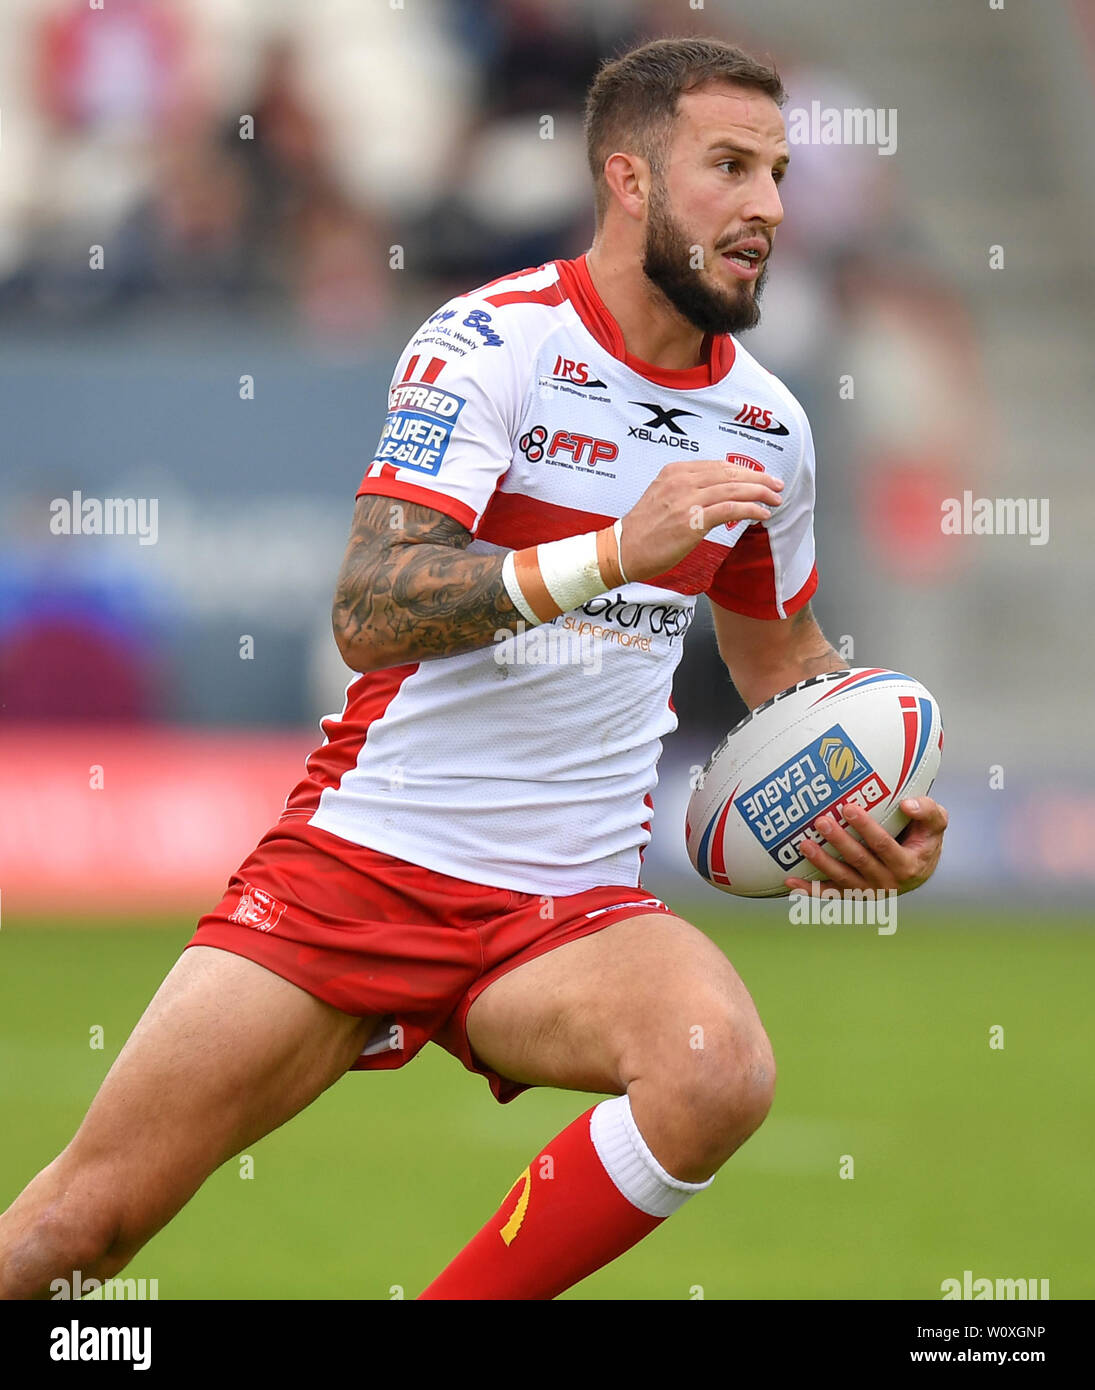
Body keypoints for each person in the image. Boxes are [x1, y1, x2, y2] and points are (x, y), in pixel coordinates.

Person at [0, 36, 947, 1302]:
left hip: (566, 906)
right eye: (729, 167)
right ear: (629, 177)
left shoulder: (768, 424)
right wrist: (613, 550)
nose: (769, 205)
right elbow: (372, 607)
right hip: (364, 864)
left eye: (777, 171)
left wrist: (864, 794)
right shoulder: (489, 341)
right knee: (78, 1233)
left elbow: (786, 664)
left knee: (717, 1066)